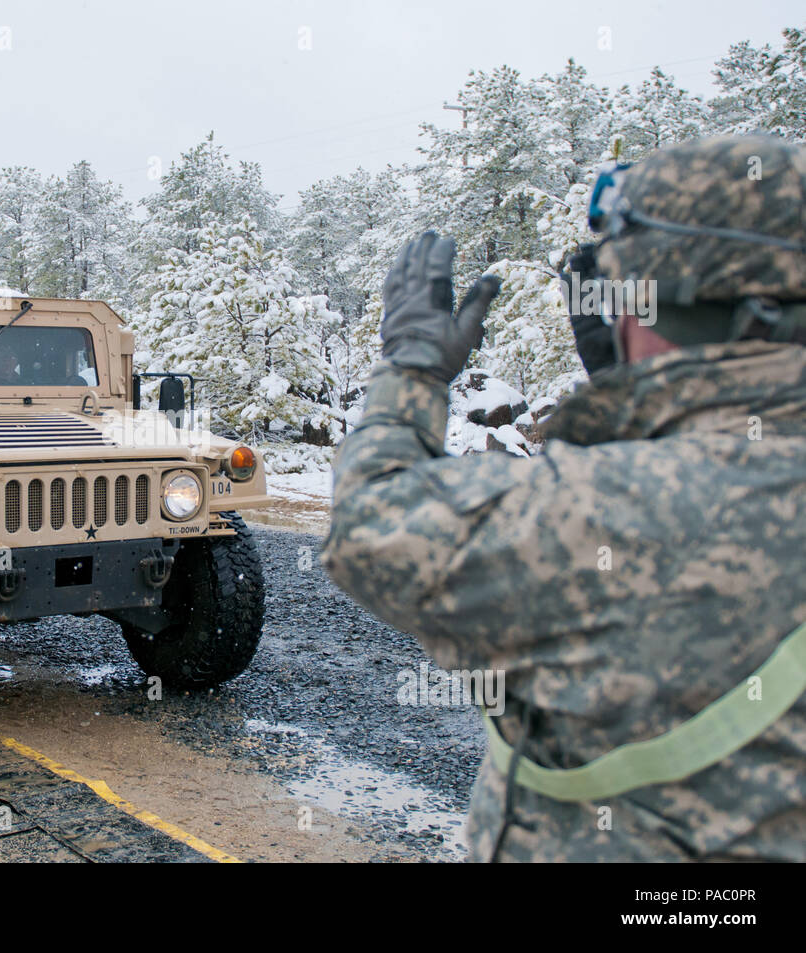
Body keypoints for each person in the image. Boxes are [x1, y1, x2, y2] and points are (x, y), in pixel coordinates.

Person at [322, 134, 806, 861]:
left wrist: (411, 370)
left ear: (663, 301)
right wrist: (637, 403)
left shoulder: (611, 507)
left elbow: (372, 524)